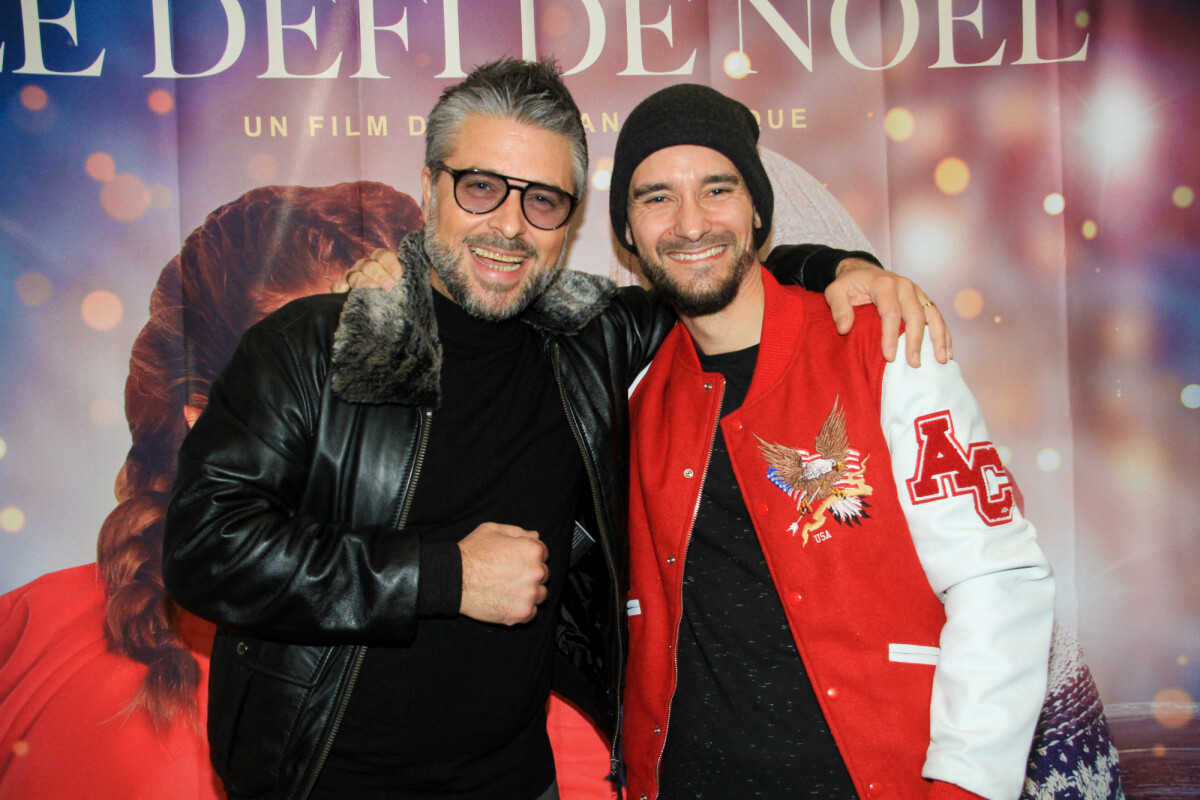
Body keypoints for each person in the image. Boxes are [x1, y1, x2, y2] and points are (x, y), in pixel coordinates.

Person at [163, 58, 945, 800]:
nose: (509, 226)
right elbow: (205, 548)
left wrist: (842, 269)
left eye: (543, 200)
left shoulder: (594, 341)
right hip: (314, 782)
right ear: (430, 187)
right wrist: (445, 575)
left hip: (516, 783)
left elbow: (710, 269)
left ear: (572, 222)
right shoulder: (311, 344)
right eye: (480, 188)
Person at [612, 83, 1056, 800]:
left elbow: (999, 581)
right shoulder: (638, 393)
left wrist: (966, 784)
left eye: (717, 188)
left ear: (758, 209)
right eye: (655, 197)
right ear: (627, 233)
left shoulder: (882, 346)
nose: (690, 222)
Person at [0, 181, 423, 799]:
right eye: (320, 391)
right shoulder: (29, 640)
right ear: (205, 422)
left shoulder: (498, 639)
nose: (370, 431)